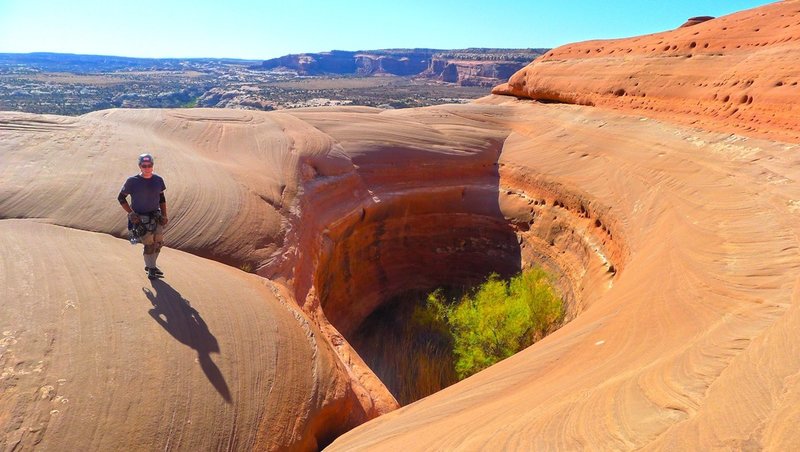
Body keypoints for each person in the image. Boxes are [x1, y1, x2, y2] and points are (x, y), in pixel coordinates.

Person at [118, 153, 169, 279]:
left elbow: (162, 198)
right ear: (139, 166)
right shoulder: (132, 181)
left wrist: (164, 215)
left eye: (149, 165)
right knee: (149, 244)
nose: (147, 168)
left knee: (159, 242)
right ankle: (151, 268)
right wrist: (131, 213)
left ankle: (151, 265)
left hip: (156, 217)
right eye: (144, 165)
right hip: (141, 219)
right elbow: (121, 198)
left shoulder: (158, 180)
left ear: (153, 166)